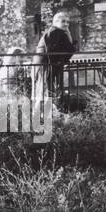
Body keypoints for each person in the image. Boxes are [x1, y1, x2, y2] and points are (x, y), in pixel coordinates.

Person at [31, 11, 76, 141]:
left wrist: (69, 35)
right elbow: (57, 52)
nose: (66, 24)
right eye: (63, 21)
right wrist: (69, 38)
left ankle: (44, 123)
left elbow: (64, 53)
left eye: (68, 22)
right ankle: (42, 125)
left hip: (46, 66)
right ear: (55, 22)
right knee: (47, 93)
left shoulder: (57, 32)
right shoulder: (55, 32)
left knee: (45, 94)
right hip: (47, 67)